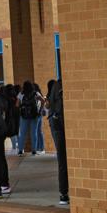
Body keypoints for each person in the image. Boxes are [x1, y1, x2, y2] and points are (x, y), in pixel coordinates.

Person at [47, 78, 68, 206]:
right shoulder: (58, 86)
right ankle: (64, 192)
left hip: (58, 126)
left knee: (62, 161)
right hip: (60, 126)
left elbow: (50, 105)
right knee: (63, 160)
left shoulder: (56, 86)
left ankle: (63, 193)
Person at [16, 81, 42, 156]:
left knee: (22, 133)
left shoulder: (21, 94)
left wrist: (22, 108)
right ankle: (34, 151)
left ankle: (20, 151)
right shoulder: (36, 93)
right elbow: (43, 101)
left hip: (23, 116)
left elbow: (17, 105)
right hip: (34, 116)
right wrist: (39, 110)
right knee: (34, 133)